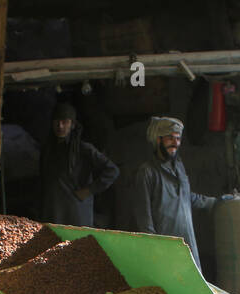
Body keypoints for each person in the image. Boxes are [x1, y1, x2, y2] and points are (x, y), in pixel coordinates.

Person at [128, 116, 221, 271]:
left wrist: (215, 202)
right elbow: (144, 215)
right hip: (165, 245)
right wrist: (154, 246)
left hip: (186, 241)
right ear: (158, 140)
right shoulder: (147, 172)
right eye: (170, 138)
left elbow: (186, 197)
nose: (175, 143)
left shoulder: (178, 167)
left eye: (178, 139)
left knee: (191, 281)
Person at [39, 101, 119, 228]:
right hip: (52, 212)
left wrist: (89, 190)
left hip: (76, 214)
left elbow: (112, 170)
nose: (60, 126)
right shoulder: (48, 150)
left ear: (72, 125)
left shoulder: (83, 149)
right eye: (57, 122)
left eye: (65, 122)